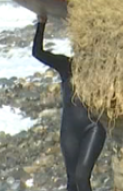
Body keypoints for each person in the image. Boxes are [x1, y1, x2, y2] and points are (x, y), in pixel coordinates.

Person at [33, 16, 107, 191]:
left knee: (82, 177)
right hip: (69, 129)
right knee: (72, 181)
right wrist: (41, 23)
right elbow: (38, 52)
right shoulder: (66, 65)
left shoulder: (101, 68)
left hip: (93, 127)